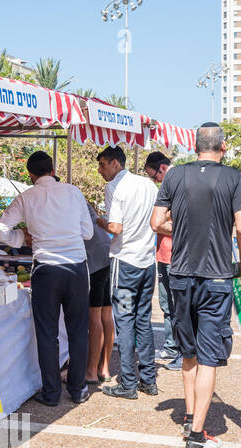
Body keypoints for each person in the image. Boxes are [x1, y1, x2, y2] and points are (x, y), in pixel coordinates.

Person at [150, 122, 241, 448]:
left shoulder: (175, 175)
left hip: (179, 274)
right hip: (216, 277)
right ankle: (197, 436)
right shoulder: (233, 178)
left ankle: (189, 415)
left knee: (188, 352)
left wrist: (179, 230)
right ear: (222, 147)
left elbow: (156, 222)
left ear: (196, 146)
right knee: (209, 355)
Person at [0, 151, 93, 406]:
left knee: (47, 333)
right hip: (76, 268)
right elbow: (88, 233)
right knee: (78, 330)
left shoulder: (26, 197)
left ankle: (50, 393)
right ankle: (78, 388)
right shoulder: (73, 192)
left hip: (46, 269)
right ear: (52, 170)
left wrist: (22, 238)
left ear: (31, 175)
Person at [98, 145, 159, 400]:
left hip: (125, 262)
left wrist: (97, 219)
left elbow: (115, 227)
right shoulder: (148, 185)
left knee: (123, 321)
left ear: (114, 163)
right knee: (143, 320)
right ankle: (148, 379)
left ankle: (128, 383)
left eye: (102, 165)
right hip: (147, 260)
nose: (100, 171)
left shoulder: (114, 187)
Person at [145, 152, 180, 368]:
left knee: (175, 304)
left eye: (155, 177)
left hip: (174, 255)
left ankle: (176, 346)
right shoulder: (169, 188)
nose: (155, 181)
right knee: (167, 303)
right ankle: (171, 344)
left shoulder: (176, 186)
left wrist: (161, 219)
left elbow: (163, 221)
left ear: (163, 169)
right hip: (164, 254)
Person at [84, 202, 115, 385]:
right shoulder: (84, 203)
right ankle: (104, 368)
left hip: (94, 261)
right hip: (107, 254)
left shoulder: (71, 203)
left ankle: (91, 371)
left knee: (94, 315)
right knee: (106, 313)